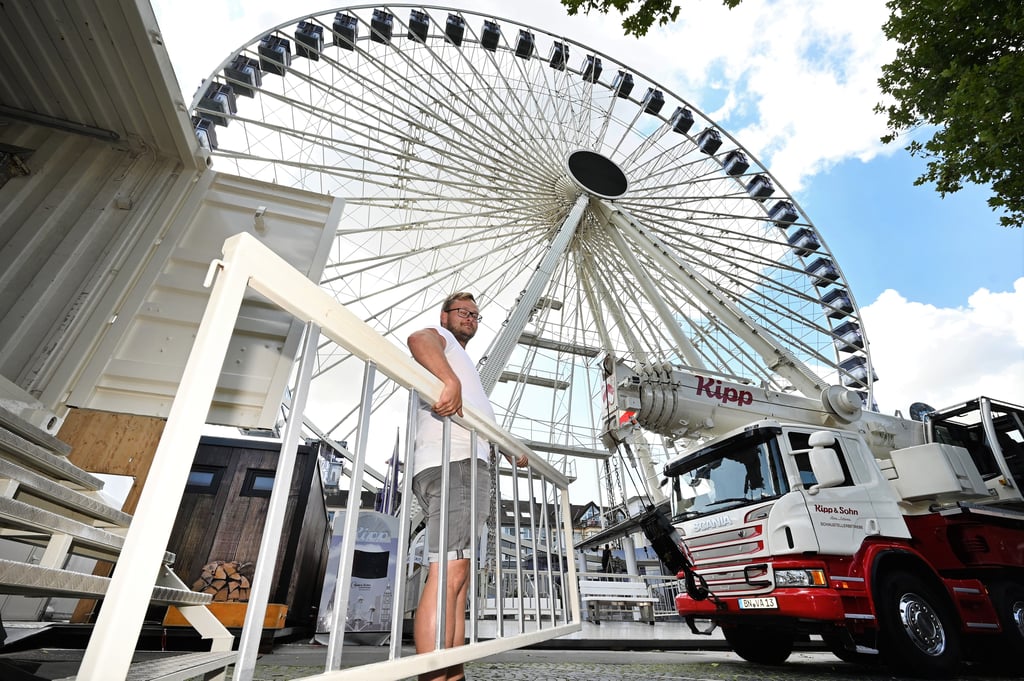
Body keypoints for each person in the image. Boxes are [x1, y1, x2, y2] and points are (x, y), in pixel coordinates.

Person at [408, 292, 526, 681]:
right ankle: (433, 675)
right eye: (463, 312)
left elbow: (478, 413)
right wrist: (448, 379)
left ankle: (452, 673)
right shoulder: (440, 344)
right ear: (445, 316)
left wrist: (506, 447)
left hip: (464, 464)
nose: (471, 318)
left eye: (476, 314)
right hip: (452, 463)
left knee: (457, 577)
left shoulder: (464, 363)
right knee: (447, 574)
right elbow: (417, 340)